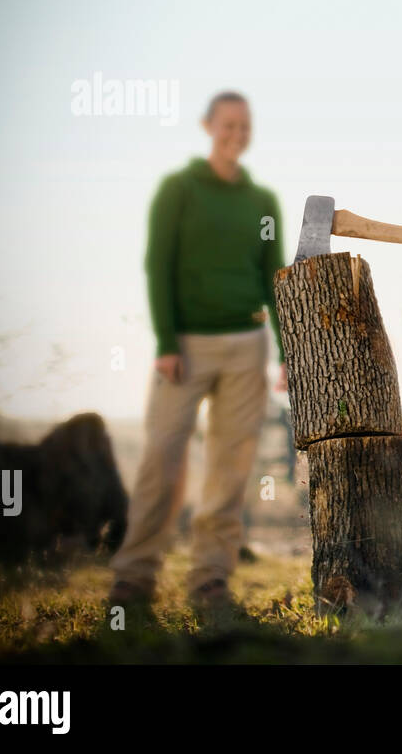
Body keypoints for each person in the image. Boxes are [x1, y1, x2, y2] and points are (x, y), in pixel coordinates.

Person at [108, 90, 287, 608]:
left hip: (246, 347)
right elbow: (157, 265)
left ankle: (210, 579)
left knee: (230, 467)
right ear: (208, 126)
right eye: (228, 124)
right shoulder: (178, 190)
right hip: (185, 345)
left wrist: (285, 352)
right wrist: (166, 341)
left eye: (244, 126)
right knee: (162, 457)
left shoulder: (262, 201)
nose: (236, 134)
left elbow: (274, 278)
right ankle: (134, 576)